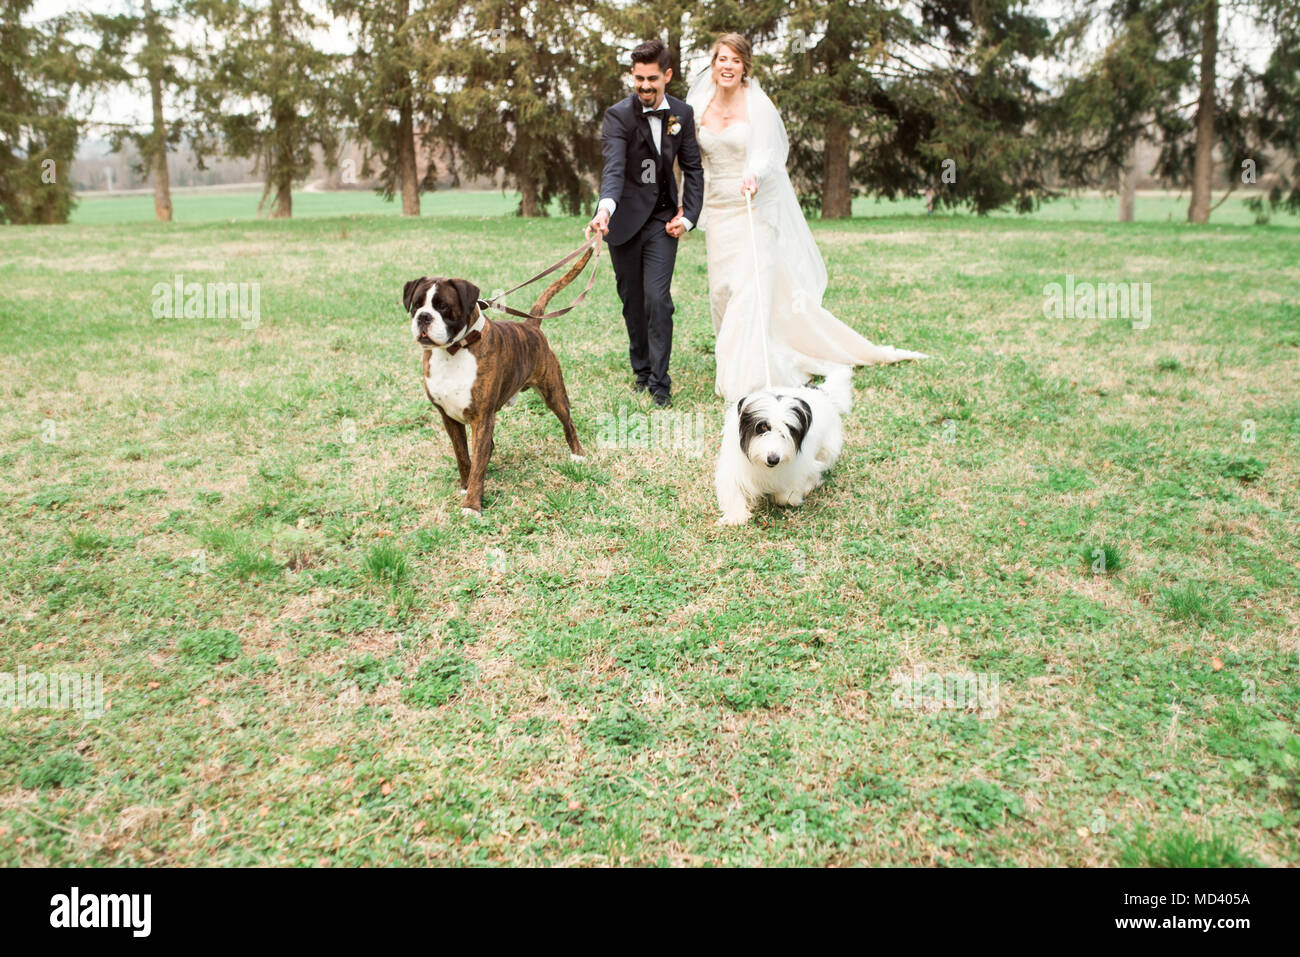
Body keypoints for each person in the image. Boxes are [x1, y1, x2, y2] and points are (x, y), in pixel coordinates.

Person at [687, 33, 927, 403]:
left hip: (753, 208)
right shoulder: (698, 103)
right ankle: (735, 358)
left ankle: (746, 380)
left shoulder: (757, 103)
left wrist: (755, 173)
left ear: (745, 66)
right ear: (713, 62)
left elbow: (768, 152)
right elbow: (690, 157)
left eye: (735, 60)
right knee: (722, 293)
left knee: (750, 294)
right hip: (719, 211)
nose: (727, 66)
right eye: (722, 59)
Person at [586, 39, 704, 408]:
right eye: (638, 79)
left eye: (652, 78)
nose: (645, 86)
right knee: (632, 302)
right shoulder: (618, 116)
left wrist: (688, 216)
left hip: (662, 221)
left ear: (667, 76)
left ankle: (659, 381)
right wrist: (604, 210)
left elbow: (693, 168)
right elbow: (614, 170)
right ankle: (641, 369)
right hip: (622, 222)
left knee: (657, 299)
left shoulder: (682, 114)